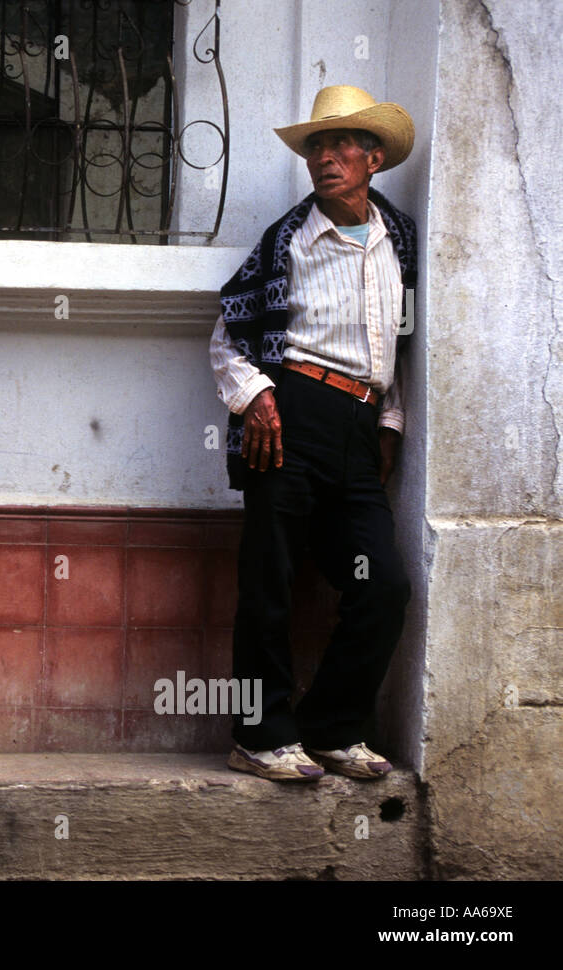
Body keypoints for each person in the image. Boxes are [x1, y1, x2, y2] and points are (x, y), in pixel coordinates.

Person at [209, 86, 417, 781]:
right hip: (290, 417)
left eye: (341, 146)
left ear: (374, 158)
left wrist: (388, 423)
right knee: (269, 577)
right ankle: (260, 735)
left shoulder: (401, 242)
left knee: (382, 583)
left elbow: (403, 347)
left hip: (357, 427)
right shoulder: (286, 242)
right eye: (315, 148)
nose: (325, 159)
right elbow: (228, 335)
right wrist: (257, 397)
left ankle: (331, 727)